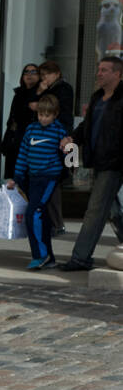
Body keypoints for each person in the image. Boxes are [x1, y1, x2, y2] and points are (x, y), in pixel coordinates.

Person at [57, 56, 123, 271]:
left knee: (95, 210)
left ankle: (81, 258)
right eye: (99, 69)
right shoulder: (97, 98)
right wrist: (72, 138)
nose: (99, 73)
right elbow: (88, 125)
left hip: (114, 162)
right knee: (112, 211)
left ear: (117, 74)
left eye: (104, 70)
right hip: (98, 161)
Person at [7, 94, 69, 269]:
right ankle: (49, 257)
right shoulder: (31, 129)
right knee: (42, 216)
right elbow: (23, 155)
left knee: (33, 213)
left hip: (49, 178)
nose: (43, 118)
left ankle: (40, 255)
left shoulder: (59, 131)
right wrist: (17, 178)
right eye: (41, 114)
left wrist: (68, 160)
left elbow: (71, 153)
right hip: (32, 178)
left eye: (47, 115)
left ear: (55, 114)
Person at [37, 61, 75, 235]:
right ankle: (53, 222)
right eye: (43, 74)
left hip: (56, 139)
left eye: (47, 74)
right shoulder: (55, 89)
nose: (44, 78)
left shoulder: (62, 89)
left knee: (52, 183)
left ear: (56, 74)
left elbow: (59, 113)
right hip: (53, 139)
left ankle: (56, 223)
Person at [2, 63, 44, 181]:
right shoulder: (19, 94)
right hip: (15, 140)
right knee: (14, 179)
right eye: (26, 72)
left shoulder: (41, 94)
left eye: (33, 72)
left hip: (31, 142)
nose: (29, 75)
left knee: (26, 178)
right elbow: (12, 119)